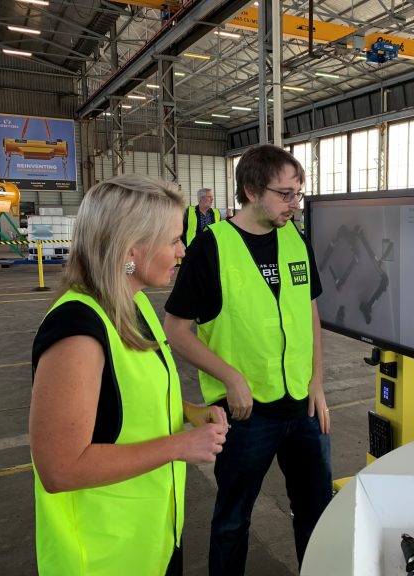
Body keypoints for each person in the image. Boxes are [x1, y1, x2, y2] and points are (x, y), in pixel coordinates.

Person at [29, 174, 228, 576]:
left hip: (150, 541)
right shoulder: (78, 331)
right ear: (131, 248)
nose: (183, 251)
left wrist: (187, 411)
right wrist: (180, 446)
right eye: (173, 239)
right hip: (102, 556)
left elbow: (120, 401)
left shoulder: (132, 306)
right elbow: (60, 468)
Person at [164, 145, 332, 576]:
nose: (295, 204)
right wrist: (230, 377)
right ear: (252, 191)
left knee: (318, 513)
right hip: (245, 414)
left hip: (303, 406)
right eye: (285, 194)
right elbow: (176, 329)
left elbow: (309, 311)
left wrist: (317, 381)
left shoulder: (296, 238)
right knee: (233, 520)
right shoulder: (210, 249)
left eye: (299, 193)